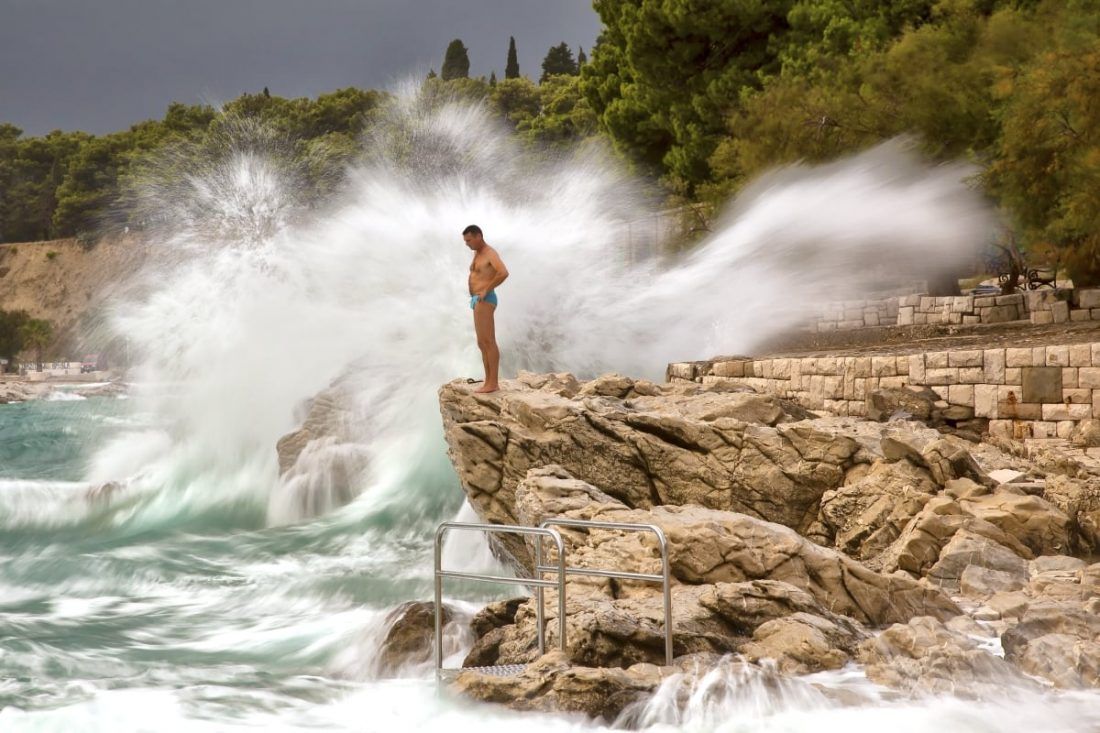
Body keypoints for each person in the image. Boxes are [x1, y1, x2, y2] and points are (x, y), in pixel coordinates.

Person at [463, 224, 509, 393]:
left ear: (478, 236)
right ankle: (488, 380)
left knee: (489, 341)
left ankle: (493, 383)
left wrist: (485, 290)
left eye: (469, 240)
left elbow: (503, 272)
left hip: (486, 299)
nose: (467, 244)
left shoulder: (490, 253)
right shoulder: (478, 253)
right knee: (481, 343)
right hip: (478, 300)